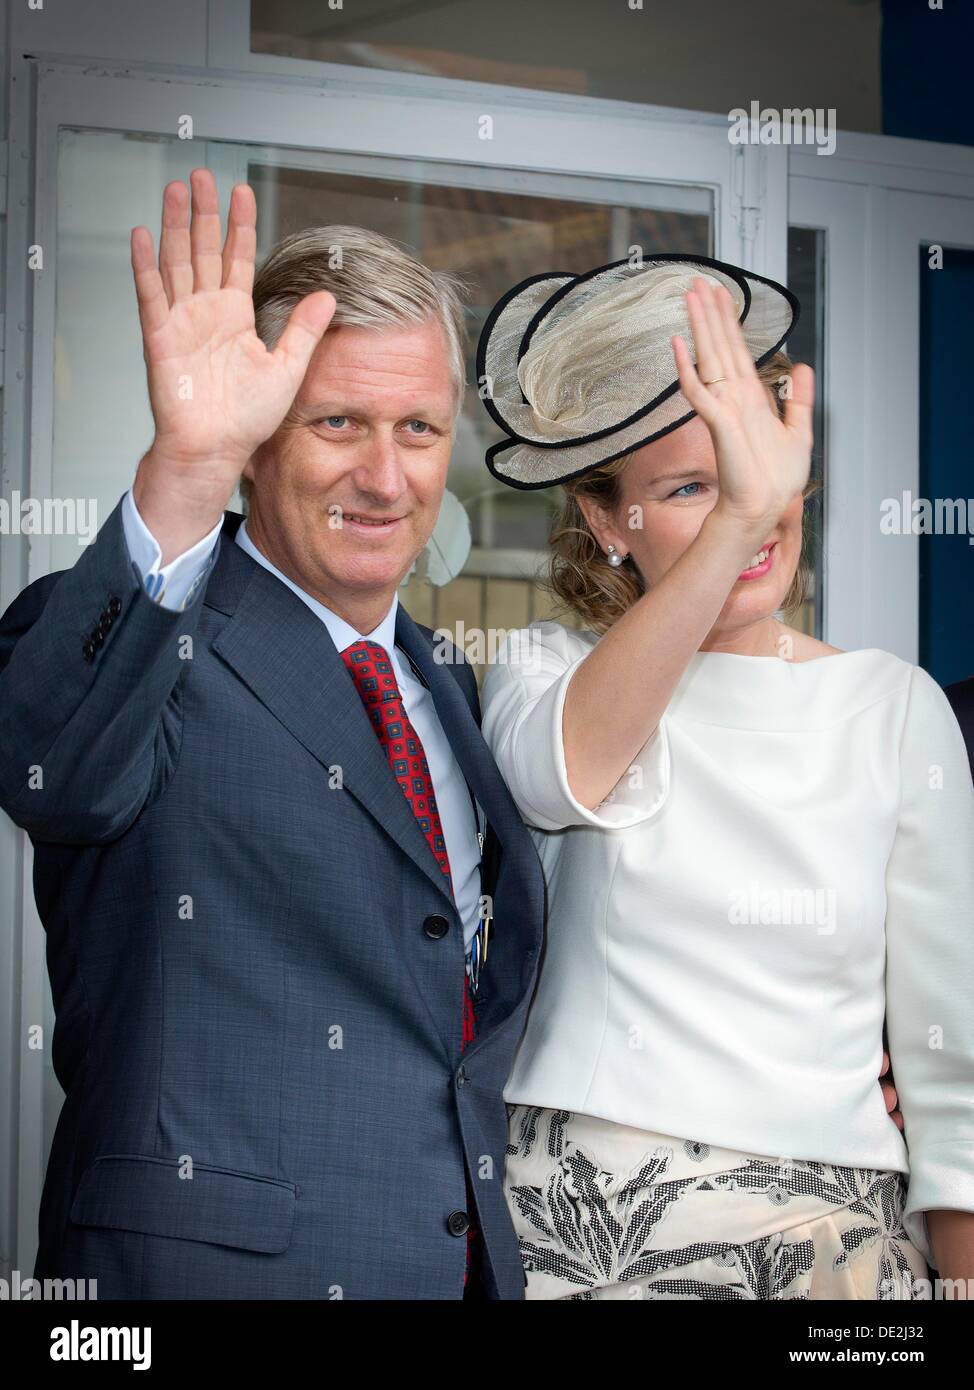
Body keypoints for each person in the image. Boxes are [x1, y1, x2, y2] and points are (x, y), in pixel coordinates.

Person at [0, 169, 546, 1300]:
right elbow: (51, 772)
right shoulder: (146, 630)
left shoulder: (444, 679)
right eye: (335, 421)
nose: (384, 476)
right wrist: (187, 469)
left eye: (418, 428)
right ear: (256, 439)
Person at [477, 254, 974, 1299]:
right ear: (609, 522)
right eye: (687, 488)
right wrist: (741, 518)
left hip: (838, 1240)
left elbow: (950, 1067)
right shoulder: (547, 672)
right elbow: (556, 778)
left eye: (748, 470)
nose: (746, 511)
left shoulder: (893, 709)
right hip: (591, 1225)